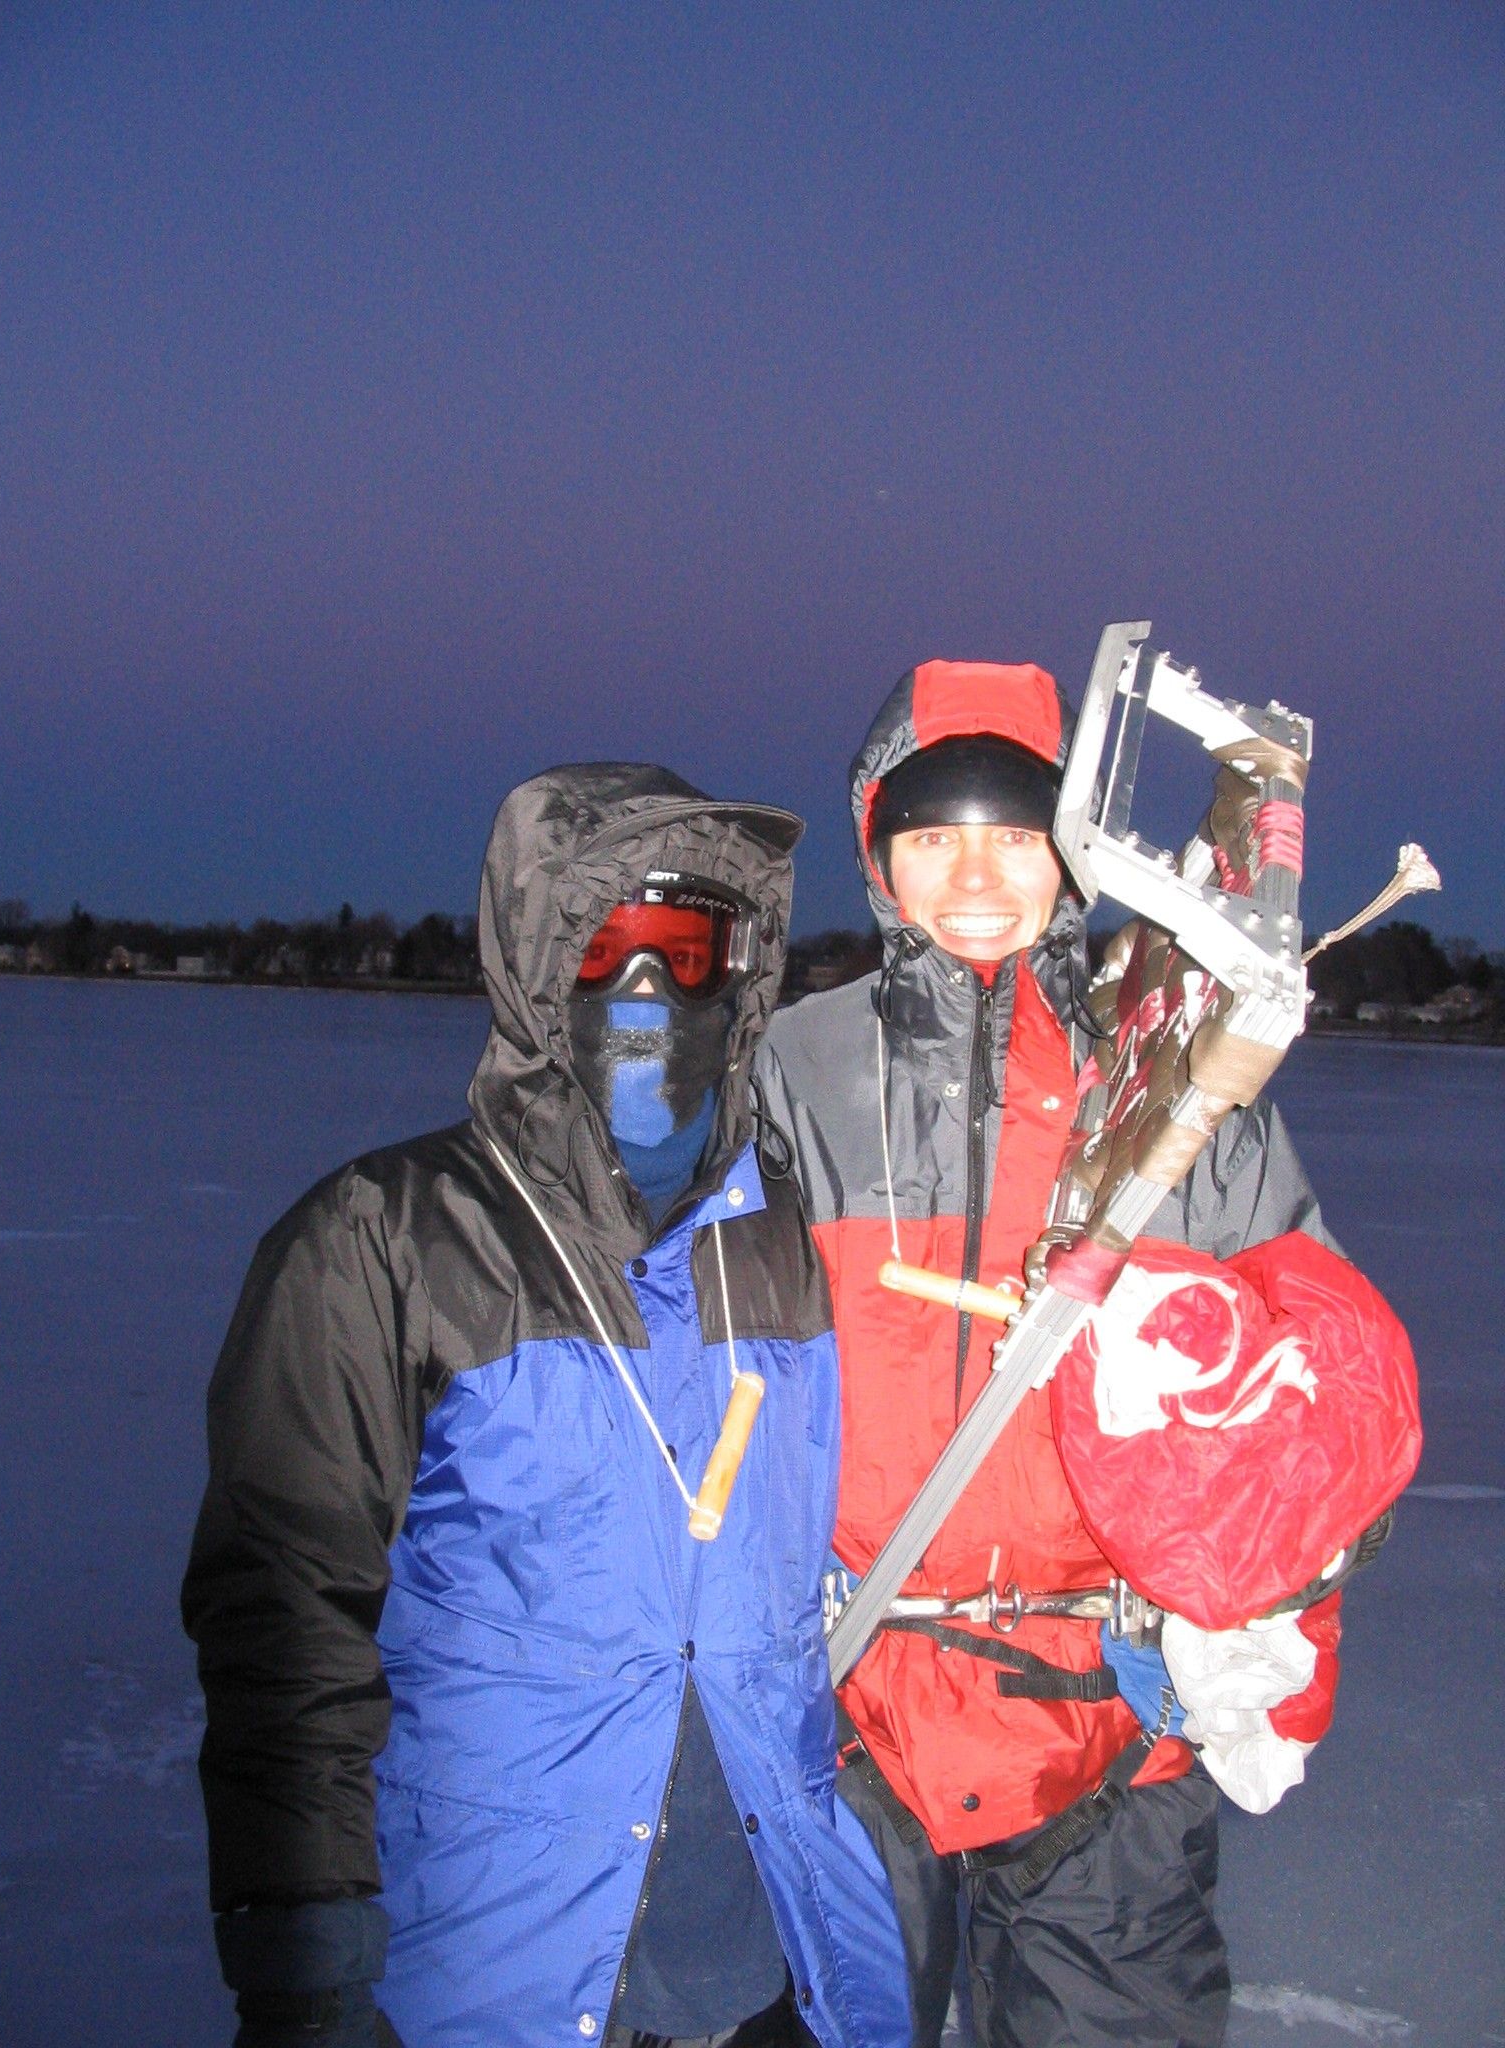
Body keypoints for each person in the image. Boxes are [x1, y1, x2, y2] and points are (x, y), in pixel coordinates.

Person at [182, 763, 912, 2048]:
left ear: (742, 976)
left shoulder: (799, 1243)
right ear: (536, 966)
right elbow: (283, 1619)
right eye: (614, 946)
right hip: (483, 1964)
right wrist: (306, 1963)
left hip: (765, 1960)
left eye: (691, 949)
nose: (653, 995)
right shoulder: (384, 1237)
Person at [756, 661, 1410, 2048]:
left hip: (1116, 1723)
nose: (977, 872)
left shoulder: (1170, 1078)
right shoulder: (795, 1068)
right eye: (934, 833)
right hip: (859, 1702)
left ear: (1074, 851)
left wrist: (1284, 1618)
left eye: (1016, 830)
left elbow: (1319, 1393)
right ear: (879, 849)